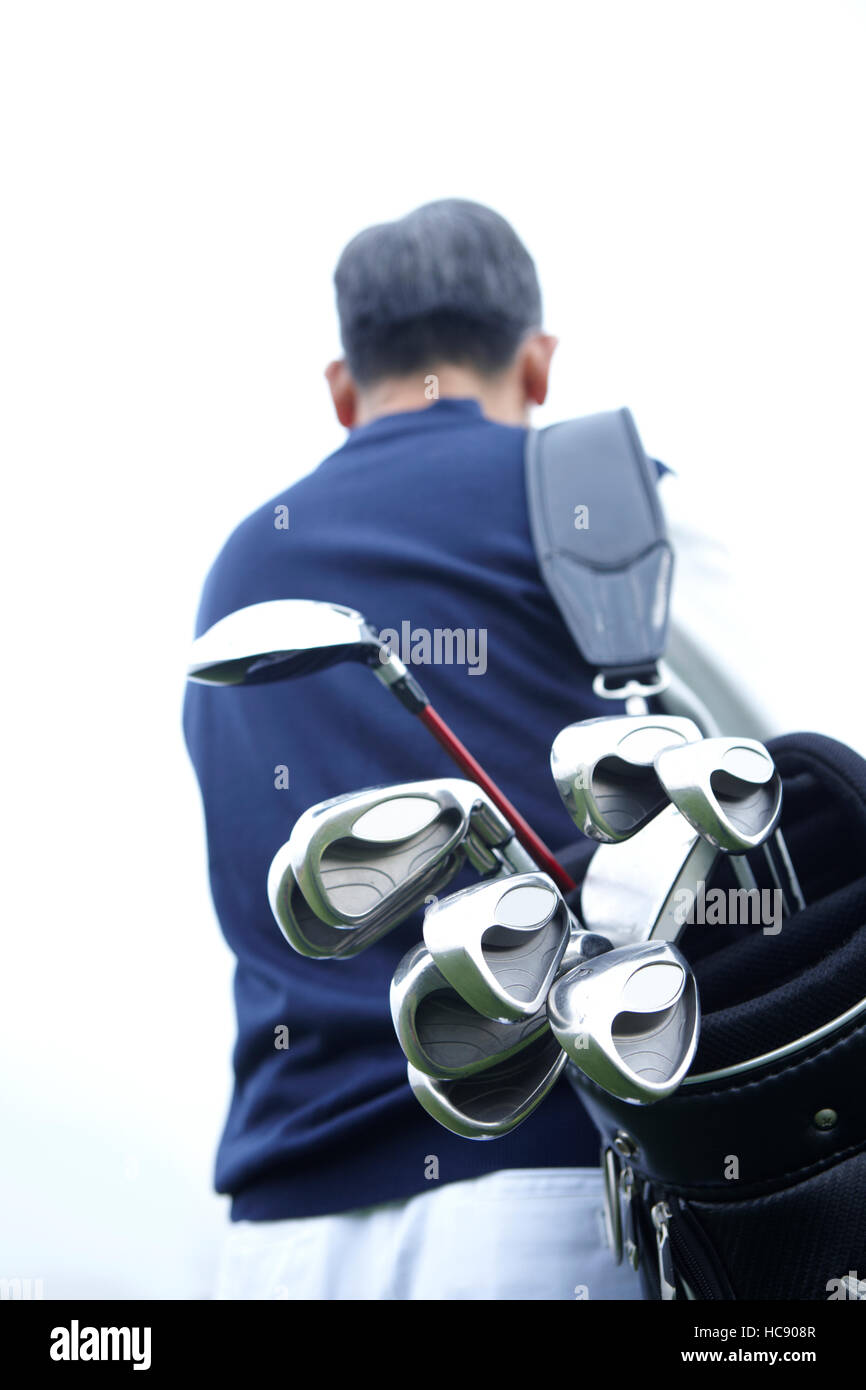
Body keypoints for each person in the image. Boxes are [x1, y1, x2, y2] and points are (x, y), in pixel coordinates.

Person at [183, 198, 757, 1301]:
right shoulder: (603, 497)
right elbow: (811, 769)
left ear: (342, 390)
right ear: (537, 368)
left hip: (278, 1233)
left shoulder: (242, 566)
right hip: (548, 1198)